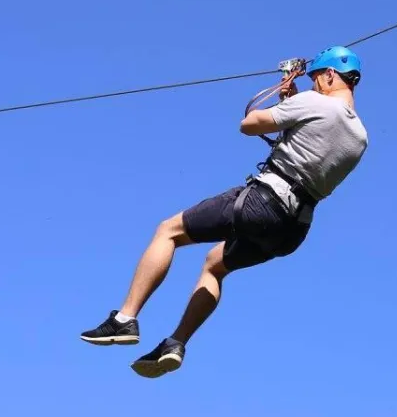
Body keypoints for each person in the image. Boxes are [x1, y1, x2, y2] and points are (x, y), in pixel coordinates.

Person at [79, 45, 368, 378]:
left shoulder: (316, 102)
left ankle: (124, 319)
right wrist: (293, 104)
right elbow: (313, 146)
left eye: (317, 78)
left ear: (330, 74)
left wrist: (286, 102)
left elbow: (250, 124)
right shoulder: (360, 137)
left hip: (263, 203)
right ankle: (176, 343)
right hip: (292, 230)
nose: (315, 84)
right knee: (215, 266)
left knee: (168, 231)